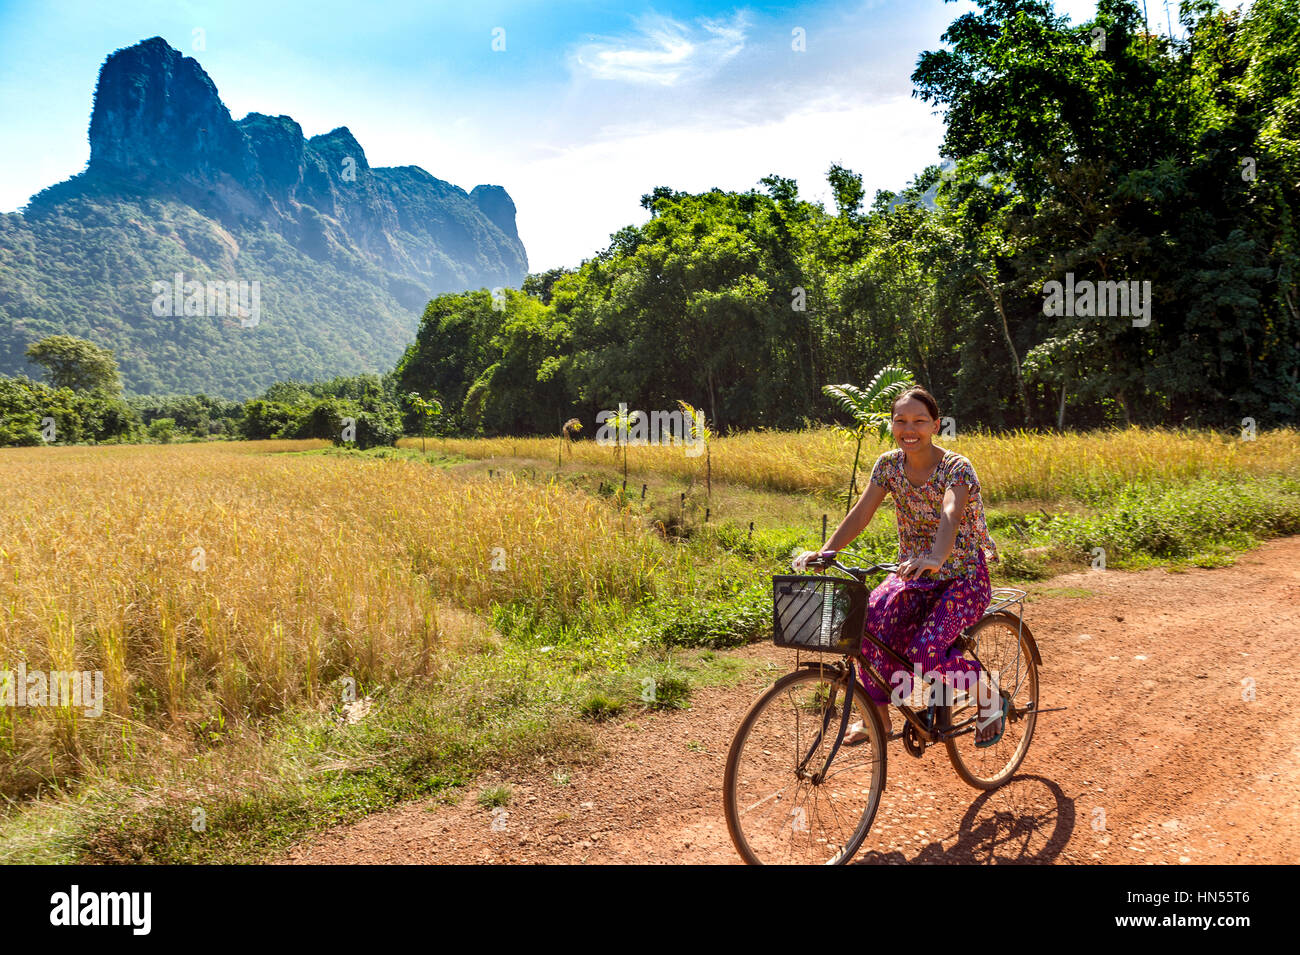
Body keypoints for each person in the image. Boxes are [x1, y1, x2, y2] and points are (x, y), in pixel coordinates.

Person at [792, 386, 1007, 746]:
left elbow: (950, 512)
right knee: (864, 622)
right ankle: (877, 720)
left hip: (963, 579)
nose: (910, 429)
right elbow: (862, 513)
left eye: (920, 421)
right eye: (901, 421)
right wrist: (826, 552)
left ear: (936, 425)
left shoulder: (956, 467)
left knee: (926, 652)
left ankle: (988, 696)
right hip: (914, 574)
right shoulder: (889, 465)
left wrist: (937, 557)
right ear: (891, 425)